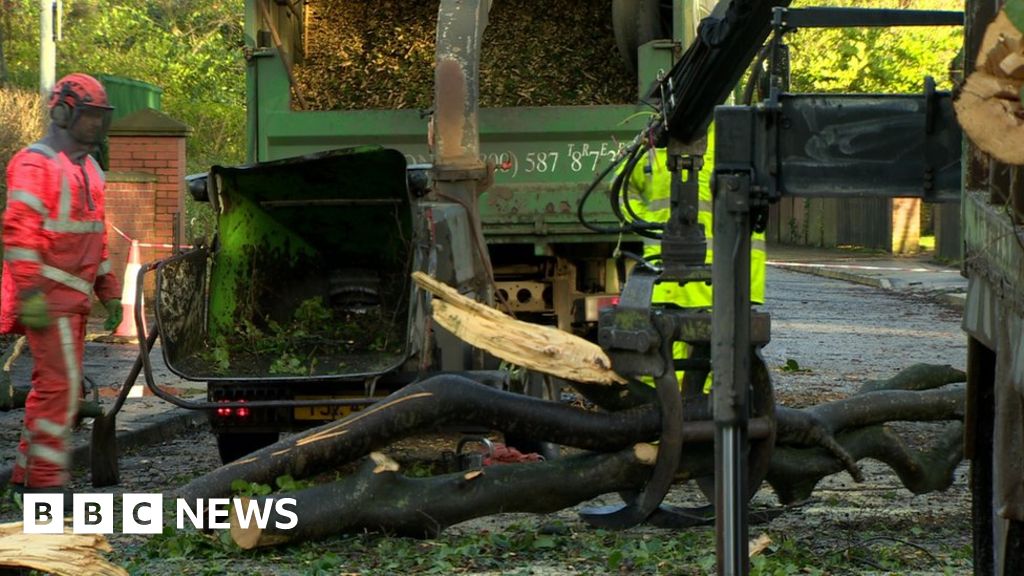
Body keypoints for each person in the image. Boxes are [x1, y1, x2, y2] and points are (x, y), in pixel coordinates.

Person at [1, 73, 122, 496]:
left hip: (71, 300)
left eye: (100, 117)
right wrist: (31, 294)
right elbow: (19, 235)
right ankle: (47, 487)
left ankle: (25, 478)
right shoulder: (35, 164)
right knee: (61, 390)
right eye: (89, 116)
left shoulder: (90, 168)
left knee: (50, 388)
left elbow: (97, 234)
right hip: (47, 299)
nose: (96, 125)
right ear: (63, 111)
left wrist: (109, 289)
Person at [622, 124, 767, 391]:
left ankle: (666, 423)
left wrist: (648, 224)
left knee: (666, 364)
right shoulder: (737, 143)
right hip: (716, 280)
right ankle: (691, 424)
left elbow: (621, 190)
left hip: (685, 280)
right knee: (718, 369)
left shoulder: (657, 143)